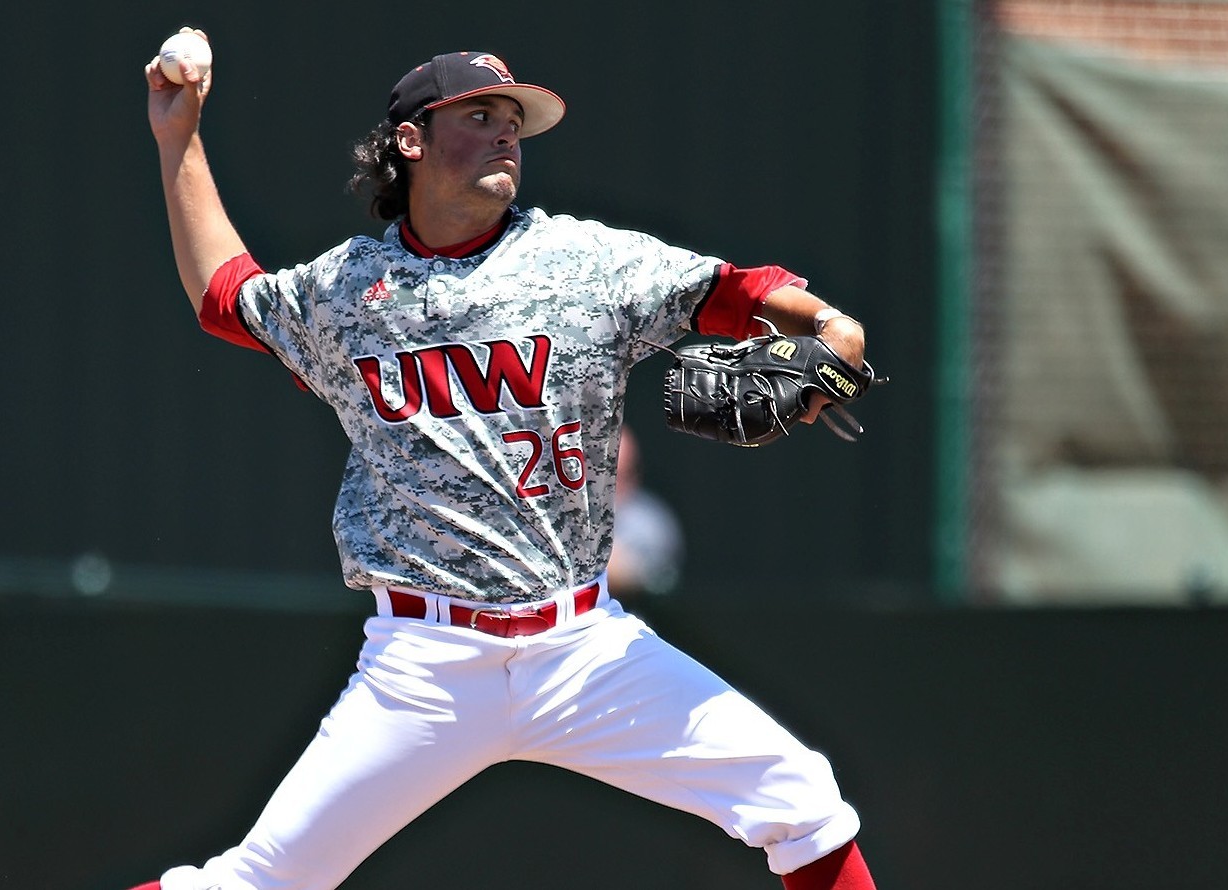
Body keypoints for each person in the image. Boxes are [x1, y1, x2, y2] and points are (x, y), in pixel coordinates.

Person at [135, 32, 877, 890]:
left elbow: (737, 291)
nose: (505, 136)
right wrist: (178, 137)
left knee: (803, 806)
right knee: (254, 882)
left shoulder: (586, 261)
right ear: (410, 139)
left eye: (514, 124)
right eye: (480, 116)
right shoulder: (346, 292)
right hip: (425, 664)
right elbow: (225, 297)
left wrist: (832, 327)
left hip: (586, 650)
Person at [605, 425, 685, 598]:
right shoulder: (571, 513)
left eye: (625, 473)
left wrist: (609, 564)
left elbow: (656, 578)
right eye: (607, 472)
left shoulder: (649, 521)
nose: (615, 483)